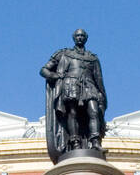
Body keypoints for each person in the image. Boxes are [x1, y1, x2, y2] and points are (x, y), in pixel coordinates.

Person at [40, 28, 107, 160]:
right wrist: (56, 76)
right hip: (70, 85)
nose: (80, 38)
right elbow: (44, 70)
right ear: (74, 38)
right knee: (72, 113)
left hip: (89, 86)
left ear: (86, 38)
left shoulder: (93, 58)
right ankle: (75, 141)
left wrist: (101, 94)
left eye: (82, 36)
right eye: (77, 36)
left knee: (93, 112)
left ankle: (95, 142)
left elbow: (99, 78)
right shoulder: (63, 53)